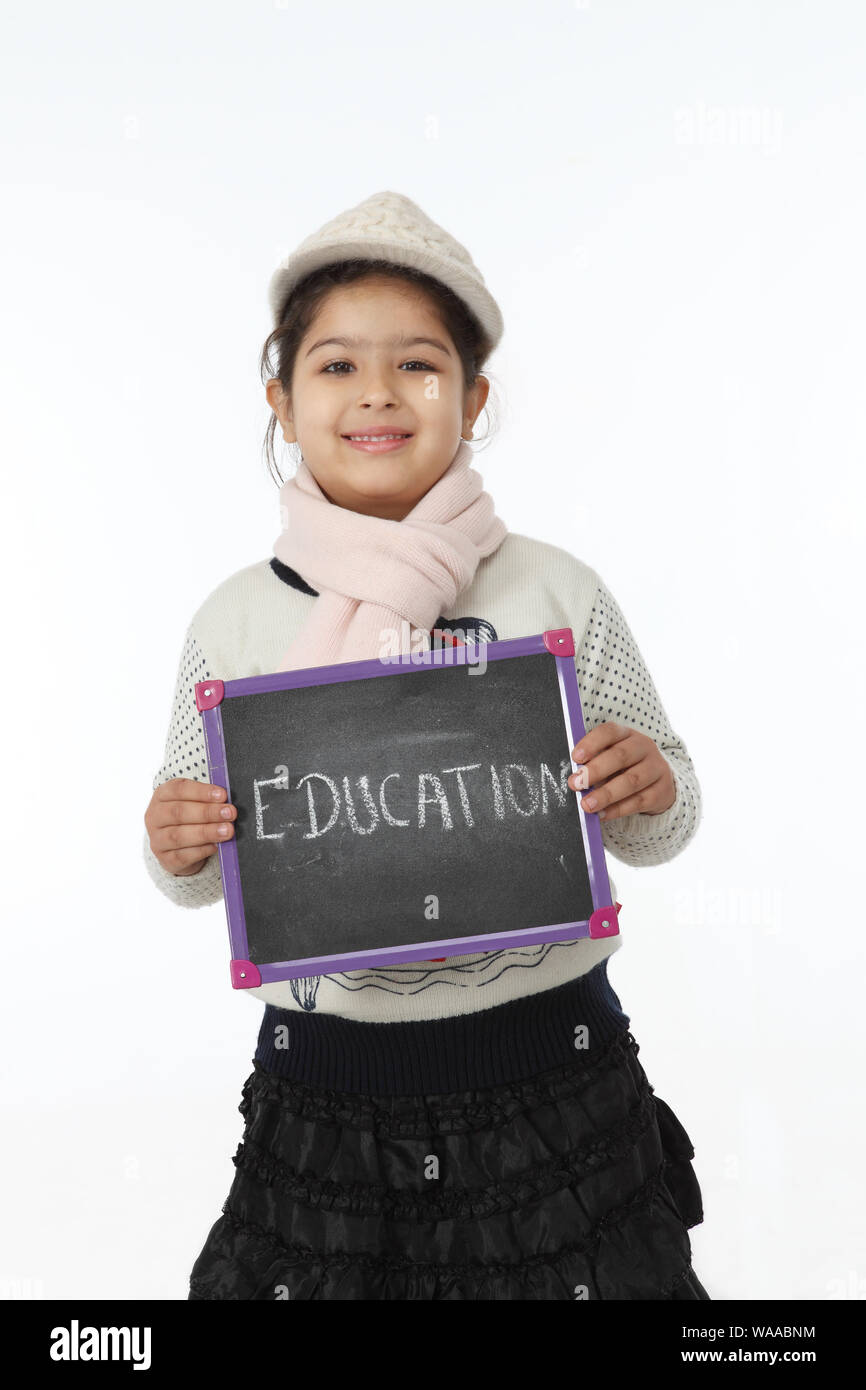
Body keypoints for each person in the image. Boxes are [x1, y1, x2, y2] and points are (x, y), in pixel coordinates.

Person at [143, 190, 710, 1301]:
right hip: (324, 1107)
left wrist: (645, 787)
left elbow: (667, 812)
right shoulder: (234, 620)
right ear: (281, 394)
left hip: (553, 1085)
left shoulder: (552, 590)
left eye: (416, 365)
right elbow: (198, 867)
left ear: (472, 395)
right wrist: (175, 841)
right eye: (337, 366)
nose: (376, 396)